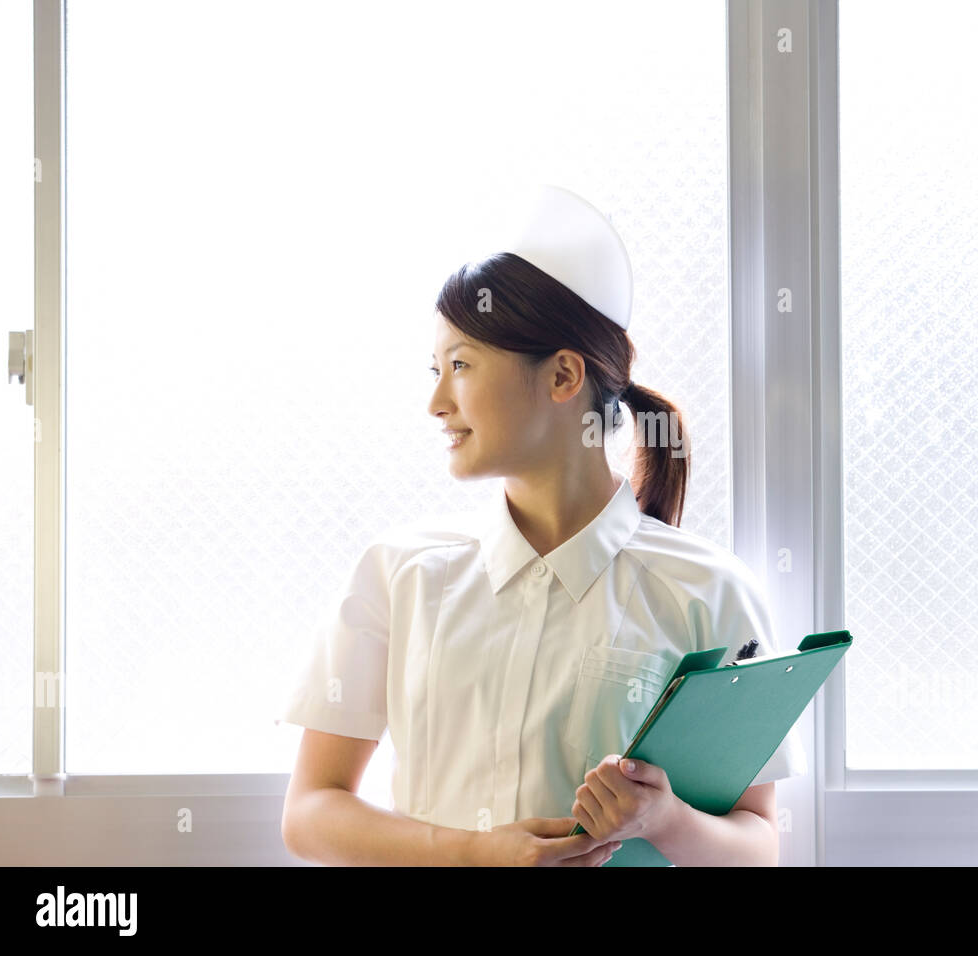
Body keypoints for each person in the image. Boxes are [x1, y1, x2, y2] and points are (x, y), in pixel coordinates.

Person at [276, 185, 807, 866]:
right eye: (436, 371)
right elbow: (311, 811)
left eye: (460, 366)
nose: (437, 402)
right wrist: (474, 853)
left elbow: (759, 845)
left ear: (562, 377)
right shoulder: (399, 573)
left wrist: (666, 818)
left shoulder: (709, 591)